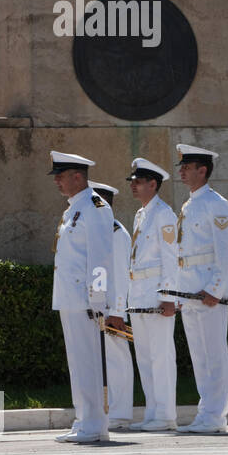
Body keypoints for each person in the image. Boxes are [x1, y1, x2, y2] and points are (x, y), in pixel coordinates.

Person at [48, 151, 115, 444]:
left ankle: (94, 424)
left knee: (88, 362)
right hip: (70, 297)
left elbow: (100, 258)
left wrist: (98, 301)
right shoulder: (73, 209)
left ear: (78, 176)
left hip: (86, 301)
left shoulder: (95, 207)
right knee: (78, 362)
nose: (57, 182)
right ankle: (83, 420)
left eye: (61, 176)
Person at [173, 144, 228, 435]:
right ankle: (205, 412)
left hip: (208, 291)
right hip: (189, 290)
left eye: (188, 167)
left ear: (203, 170)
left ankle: (215, 415)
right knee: (200, 356)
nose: (182, 171)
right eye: (182, 167)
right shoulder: (189, 205)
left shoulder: (216, 203)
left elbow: (224, 252)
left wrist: (215, 288)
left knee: (214, 354)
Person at [125, 157, 179, 431]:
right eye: (133, 181)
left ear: (153, 184)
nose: (133, 186)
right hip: (139, 296)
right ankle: (152, 413)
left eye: (138, 181)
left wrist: (169, 295)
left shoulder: (164, 214)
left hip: (158, 296)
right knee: (145, 358)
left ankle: (166, 414)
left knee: (161, 357)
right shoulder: (141, 214)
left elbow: (171, 257)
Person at [90, 182, 135, 430]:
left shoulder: (116, 233)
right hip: (98, 307)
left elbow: (120, 275)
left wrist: (118, 312)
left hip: (112, 309)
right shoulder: (98, 232)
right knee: (102, 361)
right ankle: (106, 410)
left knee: (117, 360)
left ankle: (121, 412)